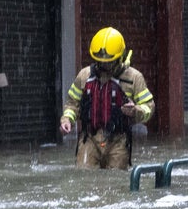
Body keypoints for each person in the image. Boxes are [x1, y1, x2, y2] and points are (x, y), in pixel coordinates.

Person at [59, 26, 154, 169]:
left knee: (115, 181)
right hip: (89, 139)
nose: (104, 64)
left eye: (109, 61)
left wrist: (136, 111)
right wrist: (67, 120)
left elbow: (149, 108)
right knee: (84, 177)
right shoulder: (84, 76)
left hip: (118, 141)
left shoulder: (134, 78)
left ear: (119, 57)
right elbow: (72, 104)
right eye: (101, 61)